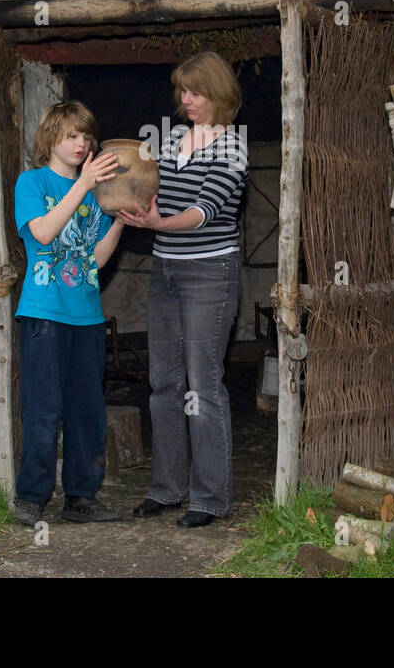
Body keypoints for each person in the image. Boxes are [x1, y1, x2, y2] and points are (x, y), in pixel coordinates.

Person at [117, 52, 248, 528]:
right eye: (183, 91)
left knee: (203, 385)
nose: (186, 100)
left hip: (210, 272)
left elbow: (205, 211)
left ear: (218, 92)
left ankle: (209, 497)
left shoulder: (232, 147)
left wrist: (159, 223)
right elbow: (153, 189)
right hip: (166, 270)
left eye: (195, 91)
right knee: (163, 384)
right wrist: (129, 200)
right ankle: (167, 489)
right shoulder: (172, 138)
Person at [10, 100, 125, 526]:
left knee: (86, 412)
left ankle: (81, 498)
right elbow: (41, 232)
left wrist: (119, 223)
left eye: (86, 136)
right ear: (51, 138)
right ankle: (30, 498)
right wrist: (84, 186)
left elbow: (93, 259)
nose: (81, 143)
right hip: (44, 314)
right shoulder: (32, 182)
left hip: (88, 318)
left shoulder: (94, 195)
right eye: (72, 135)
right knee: (43, 409)